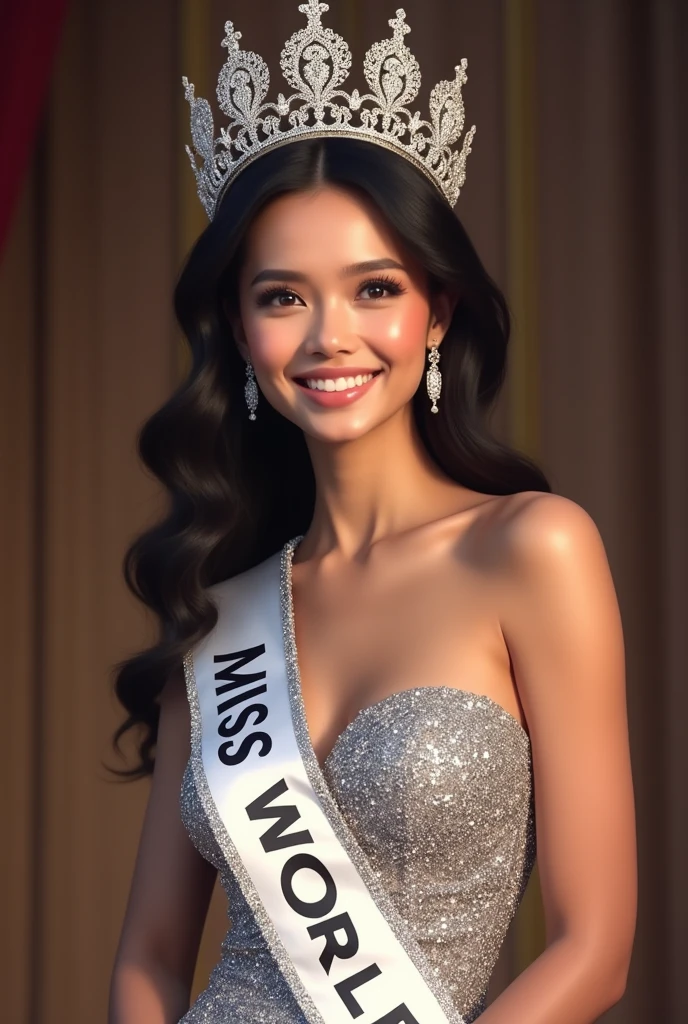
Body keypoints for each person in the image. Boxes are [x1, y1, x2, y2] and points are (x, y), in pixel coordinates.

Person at [108, 3, 637, 1022]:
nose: (329, 338)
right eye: (282, 297)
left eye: (374, 288)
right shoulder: (221, 608)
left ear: (433, 312)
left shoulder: (533, 548)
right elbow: (151, 953)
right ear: (239, 328)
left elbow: (594, 947)